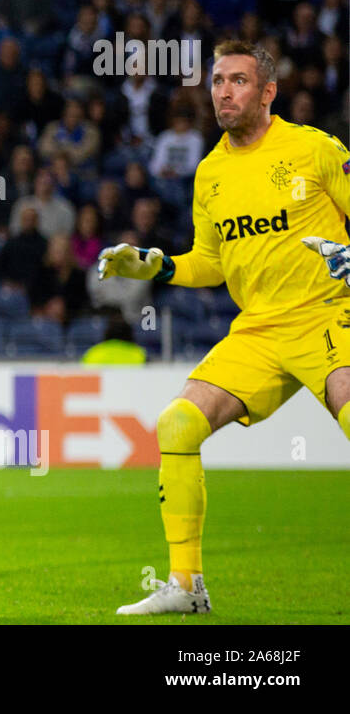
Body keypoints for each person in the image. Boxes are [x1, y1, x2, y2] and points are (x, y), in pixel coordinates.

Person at [98, 41, 350, 615]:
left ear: (268, 92)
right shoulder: (210, 172)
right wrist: (156, 264)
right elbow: (209, 262)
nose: (223, 91)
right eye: (217, 81)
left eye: (238, 80)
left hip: (330, 312)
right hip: (258, 330)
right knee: (177, 426)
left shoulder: (314, 149)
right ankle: (186, 587)